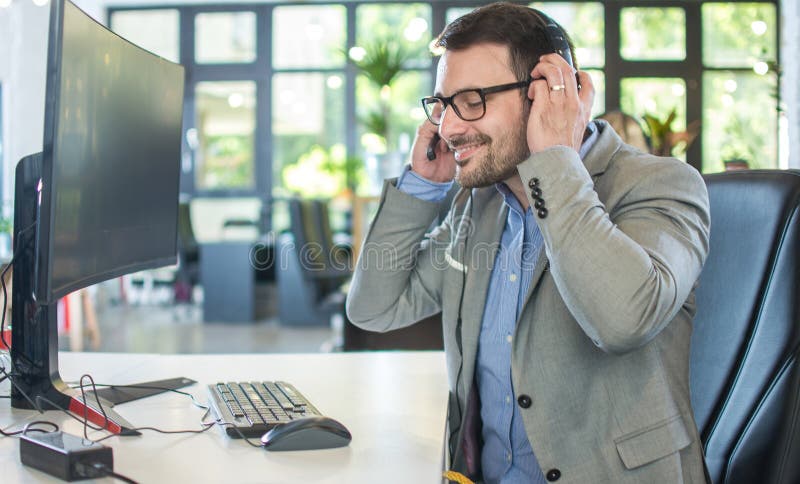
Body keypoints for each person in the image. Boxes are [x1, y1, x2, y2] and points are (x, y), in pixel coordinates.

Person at [346, 3, 710, 483]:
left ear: (547, 94)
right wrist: (422, 186)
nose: (449, 127)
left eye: (472, 100)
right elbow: (373, 307)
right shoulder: (479, 206)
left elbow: (623, 320)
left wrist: (555, 157)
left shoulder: (660, 183)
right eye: (442, 104)